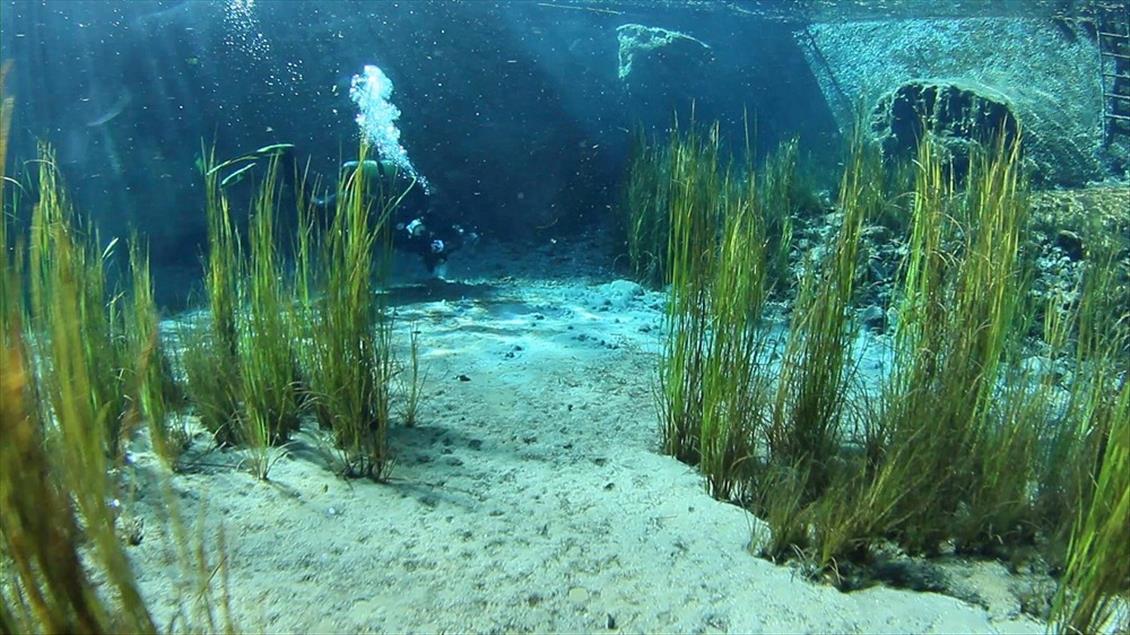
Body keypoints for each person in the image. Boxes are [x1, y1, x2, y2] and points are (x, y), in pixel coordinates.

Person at [315, 158, 476, 275]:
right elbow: (424, 226)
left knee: (330, 210)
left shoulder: (434, 228)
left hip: (386, 218)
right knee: (332, 209)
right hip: (388, 217)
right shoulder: (435, 225)